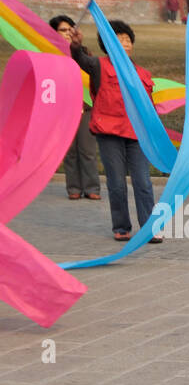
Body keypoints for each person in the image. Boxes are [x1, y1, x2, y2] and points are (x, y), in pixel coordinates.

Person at [67, 18, 157, 243]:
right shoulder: (99, 65)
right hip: (109, 134)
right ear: (109, 44)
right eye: (119, 40)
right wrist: (76, 46)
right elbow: (80, 59)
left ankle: (150, 228)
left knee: (143, 183)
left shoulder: (143, 74)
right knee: (116, 183)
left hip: (137, 134)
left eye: (128, 40)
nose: (125, 44)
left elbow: (149, 108)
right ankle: (121, 227)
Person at [49, 15, 100, 202]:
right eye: (63, 30)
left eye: (70, 29)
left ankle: (92, 187)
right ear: (53, 33)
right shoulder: (50, 54)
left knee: (87, 150)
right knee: (69, 151)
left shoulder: (84, 53)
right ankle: (74, 188)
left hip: (86, 108)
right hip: (63, 110)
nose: (67, 33)